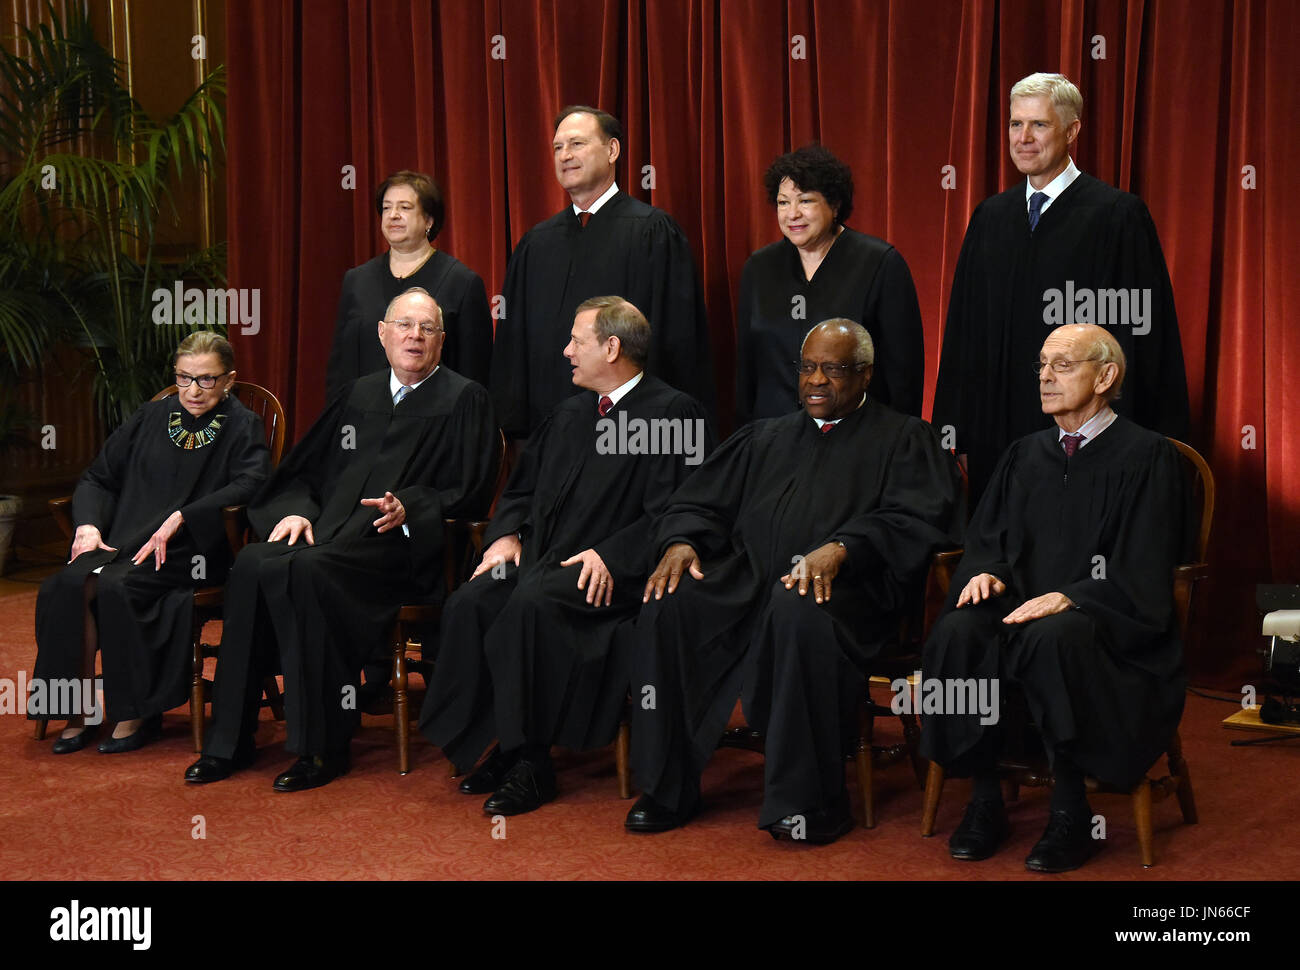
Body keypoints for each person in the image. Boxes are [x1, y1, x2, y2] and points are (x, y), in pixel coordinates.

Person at [626, 320, 962, 843]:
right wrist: (682, 541)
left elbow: (919, 519)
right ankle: (668, 787)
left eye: (833, 368)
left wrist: (845, 546)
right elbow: (698, 502)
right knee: (671, 602)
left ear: (866, 373)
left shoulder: (903, 438)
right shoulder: (766, 436)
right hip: (751, 578)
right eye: (807, 368)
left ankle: (807, 803)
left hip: (847, 594)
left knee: (797, 610)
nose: (817, 381)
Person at [183, 287, 498, 790]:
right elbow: (301, 473)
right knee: (252, 564)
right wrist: (293, 513)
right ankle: (230, 741)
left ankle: (322, 747)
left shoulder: (463, 398)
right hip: (326, 537)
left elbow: (471, 488)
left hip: (398, 552)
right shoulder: (359, 394)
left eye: (427, 328)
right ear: (382, 333)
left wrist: (411, 507)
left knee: (308, 571)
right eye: (404, 325)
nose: (414, 336)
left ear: (442, 339)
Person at [420, 296, 711, 815]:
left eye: (577, 341)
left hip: (616, 574)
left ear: (612, 346)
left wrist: (614, 555)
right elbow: (520, 492)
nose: (565, 352)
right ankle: (499, 742)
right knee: (473, 600)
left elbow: (682, 511)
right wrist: (506, 534)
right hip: (545, 560)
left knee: (531, 603)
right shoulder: (571, 412)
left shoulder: (672, 412)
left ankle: (533, 762)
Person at [921, 324, 1188, 873]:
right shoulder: (1025, 454)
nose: (1044, 376)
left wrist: (1071, 595)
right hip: (1022, 606)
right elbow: (988, 539)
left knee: (1051, 633)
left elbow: (1144, 563)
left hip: (1108, 622)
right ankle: (985, 799)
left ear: (1106, 376)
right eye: (1041, 364)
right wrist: (986, 572)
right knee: (960, 628)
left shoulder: (1147, 456)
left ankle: (1071, 812)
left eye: (1062, 365)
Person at [932, 72, 1190, 505]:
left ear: (1071, 130)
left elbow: (1140, 337)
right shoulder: (990, 218)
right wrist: (952, 431)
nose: (1024, 137)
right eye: (1016, 124)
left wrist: (1121, 430)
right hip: (997, 430)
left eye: (1040, 124)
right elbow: (964, 332)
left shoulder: (1116, 216)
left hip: (1083, 433)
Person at [31, 332, 270, 753]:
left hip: (195, 550)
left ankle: (135, 711)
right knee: (63, 586)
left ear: (229, 379)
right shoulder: (150, 416)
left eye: (207, 380)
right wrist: (87, 524)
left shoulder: (242, 424)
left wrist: (185, 515)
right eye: (183, 378)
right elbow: (98, 476)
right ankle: (78, 709)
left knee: (117, 586)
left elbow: (253, 483)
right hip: (125, 541)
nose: (193, 390)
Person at [490, 105, 712, 437]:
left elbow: (676, 339)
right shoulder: (536, 243)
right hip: (547, 430)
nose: (565, 155)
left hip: (632, 431)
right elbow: (513, 347)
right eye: (557, 147)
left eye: (577, 144)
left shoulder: (653, 232)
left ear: (612, 150)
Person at [735, 144, 923, 424]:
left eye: (805, 201)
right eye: (783, 202)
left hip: (859, 440)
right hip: (773, 440)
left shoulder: (880, 263)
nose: (792, 214)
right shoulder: (758, 268)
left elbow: (904, 373)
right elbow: (747, 370)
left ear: (834, 205)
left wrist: (900, 444)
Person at [326, 170, 492, 400]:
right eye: (386, 208)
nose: (393, 215)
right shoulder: (357, 280)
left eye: (404, 208)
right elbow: (340, 368)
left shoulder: (462, 282)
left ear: (429, 220)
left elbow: (475, 372)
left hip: (436, 422)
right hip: (363, 420)